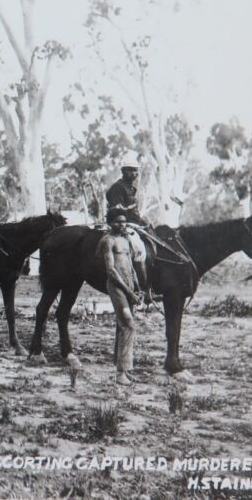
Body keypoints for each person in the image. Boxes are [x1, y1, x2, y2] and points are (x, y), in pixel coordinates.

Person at [97, 210, 143, 386]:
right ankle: (120, 372)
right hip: (117, 287)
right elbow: (111, 270)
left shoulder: (126, 240)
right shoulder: (107, 241)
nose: (121, 225)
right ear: (110, 224)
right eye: (117, 222)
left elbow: (131, 266)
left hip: (129, 286)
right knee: (129, 324)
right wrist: (129, 292)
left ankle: (124, 368)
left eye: (123, 222)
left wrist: (138, 288)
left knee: (122, 325)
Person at [105, 159, 150, 301]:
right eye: (130, 170)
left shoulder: (130, 188)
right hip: (122, 224)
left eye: (135, 170)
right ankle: (142, 288)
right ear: (123, 171)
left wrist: (143, 221)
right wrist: (128, 212)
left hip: (133, 223)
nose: (133, 173)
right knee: (138, 249)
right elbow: (116, 212)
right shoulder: (117, 188)